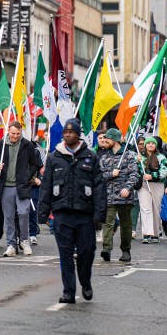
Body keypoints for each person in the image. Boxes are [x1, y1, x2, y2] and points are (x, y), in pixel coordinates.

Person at [39, 118, 106, 304]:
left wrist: (100, 214)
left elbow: (99, 187)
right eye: (65, 132)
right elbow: (46, 186)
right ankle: (68, 291)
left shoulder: (90, 157)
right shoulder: (54, 157)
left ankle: (85, 282)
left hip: (85, 215)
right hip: (62, 214)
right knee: (65, 255)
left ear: (78, 134)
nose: (68, 135)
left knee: (87, 252)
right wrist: (43, 212)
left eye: (71, 132)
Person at [0, 121, 39, 257]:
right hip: (6, 186)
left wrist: (27, 177)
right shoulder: (1, 144)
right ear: (8, 132)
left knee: (23, 213)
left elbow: (34, 164)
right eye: (13, 133)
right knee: (9, 217)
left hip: (22, 186)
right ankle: (11, 244)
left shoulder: (27, 145)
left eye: (18, 134)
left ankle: (24, 241)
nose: (15, 136)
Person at [98, 128, 138, 262]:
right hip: (109, 195)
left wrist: (127, 188)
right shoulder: (104, 157)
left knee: (125, 224)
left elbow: (134, 175)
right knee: (108, 223)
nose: (104, 141)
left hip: (125, 196)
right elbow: (99, 176)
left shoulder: (128, 156)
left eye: (107, 139)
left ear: (114, 140)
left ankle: (126, 250)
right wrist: (111, 174)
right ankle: (106, 248)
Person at [137, 137, 167, 244]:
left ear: (155, 145)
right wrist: (138, 163)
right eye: (148, 143)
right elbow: (137, 172)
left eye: (152, 143)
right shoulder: (141, 158)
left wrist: (152, 176)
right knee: (145, 209)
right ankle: (146, 233)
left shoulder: (161, 157)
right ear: (145, 145)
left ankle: (155, 233)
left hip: (157, 185)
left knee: (156, 208)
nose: (150, 145)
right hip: (144, 185)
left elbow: (164, 171)